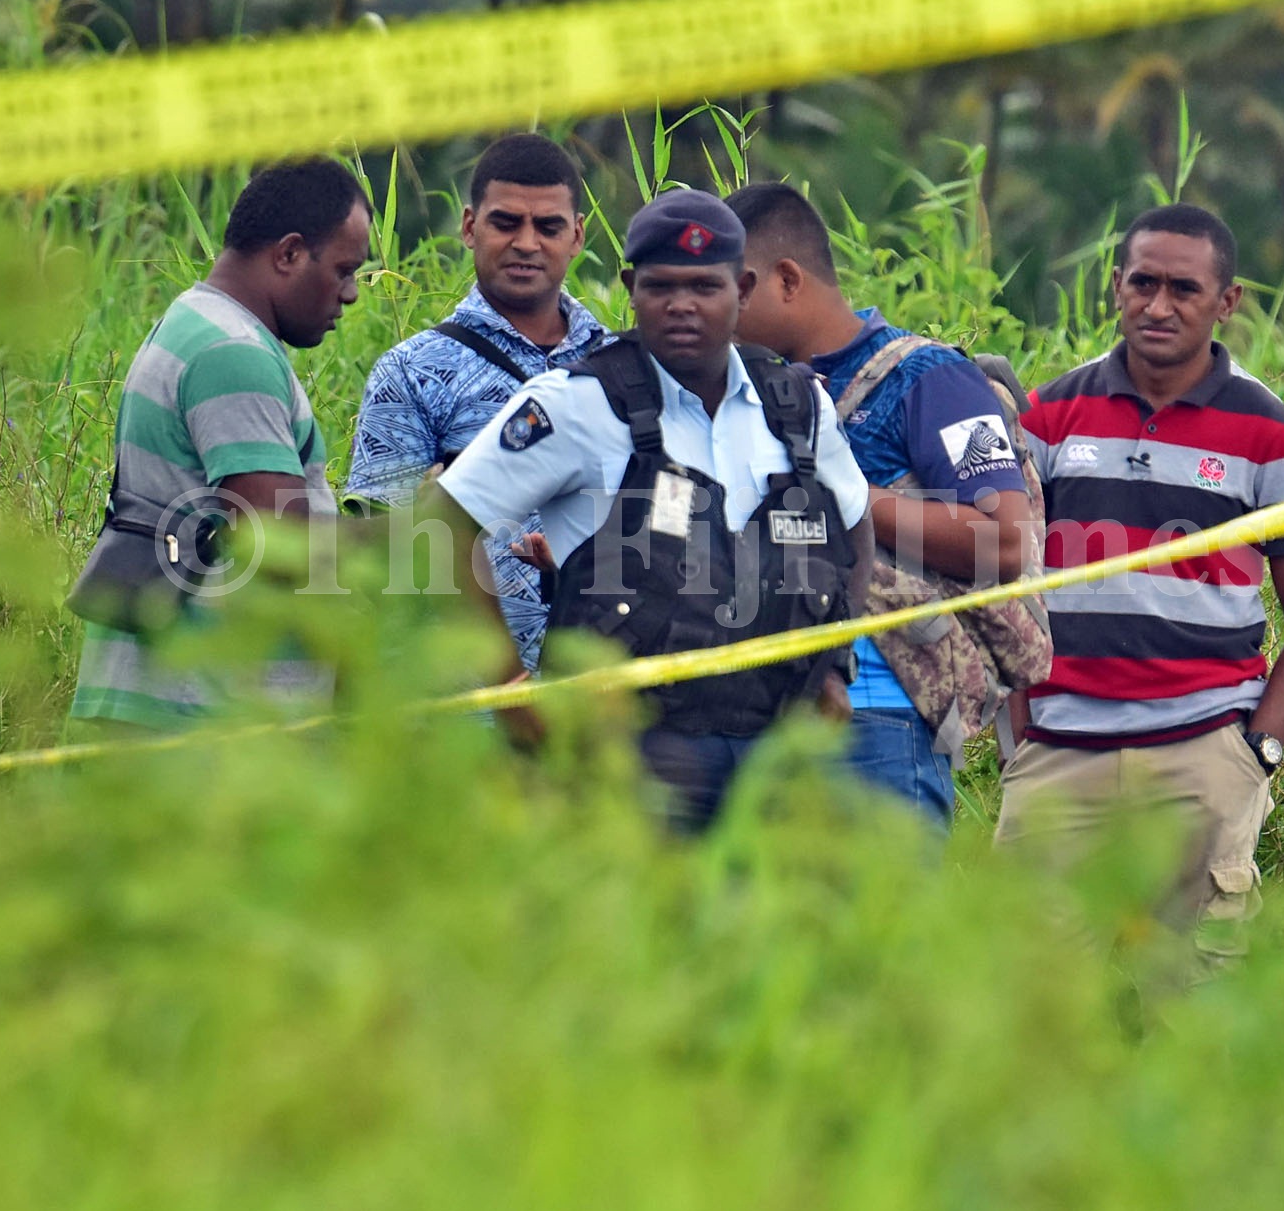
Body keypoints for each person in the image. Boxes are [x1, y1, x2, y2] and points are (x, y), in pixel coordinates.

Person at [421, 188, 875, 831]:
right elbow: (439, 523)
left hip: (775, 756)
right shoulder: (578, 405)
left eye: (704, 286)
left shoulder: (797, 407)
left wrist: (838, 662)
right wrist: (507, 686)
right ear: (629, 287)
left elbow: (854, 527)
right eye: (661, 286)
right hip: (620, 760)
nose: (682, 306)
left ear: (743, 289)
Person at [1001, 202, 1284, 938]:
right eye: (1143, 283)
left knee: (1199, 1007)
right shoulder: (1049, 415)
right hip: (1059, 754)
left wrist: (1258, 752)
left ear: (1227, 302)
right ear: (1116, 285)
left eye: (1183, 289)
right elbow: (1003, 583)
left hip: (1203, 754)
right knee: (1025, 1005)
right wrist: (1019, 723)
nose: (1159, 306)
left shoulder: (1273, 435)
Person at [726, 181, 1050, 826]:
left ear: (787, 279)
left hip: (881, 721)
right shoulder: (737, 389)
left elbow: (1005, 543)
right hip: (756, 717)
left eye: (733, 289)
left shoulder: (934, 381)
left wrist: (839, 495)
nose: (714, 309)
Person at [68, 158, 372, 729]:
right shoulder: (232, 353)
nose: (351, 294)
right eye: (344, 269)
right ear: (288, 254)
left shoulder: (196, 323)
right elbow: (280, 547)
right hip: (198, 732)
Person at [347, 133, 609, 669]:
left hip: (604, 703)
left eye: (549, 226)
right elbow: (376, 563)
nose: (527, 243)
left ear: (578, 235)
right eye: (506, 223)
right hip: (464, 711)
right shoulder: (412, 373)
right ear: (469, 227)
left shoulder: (622, 365)